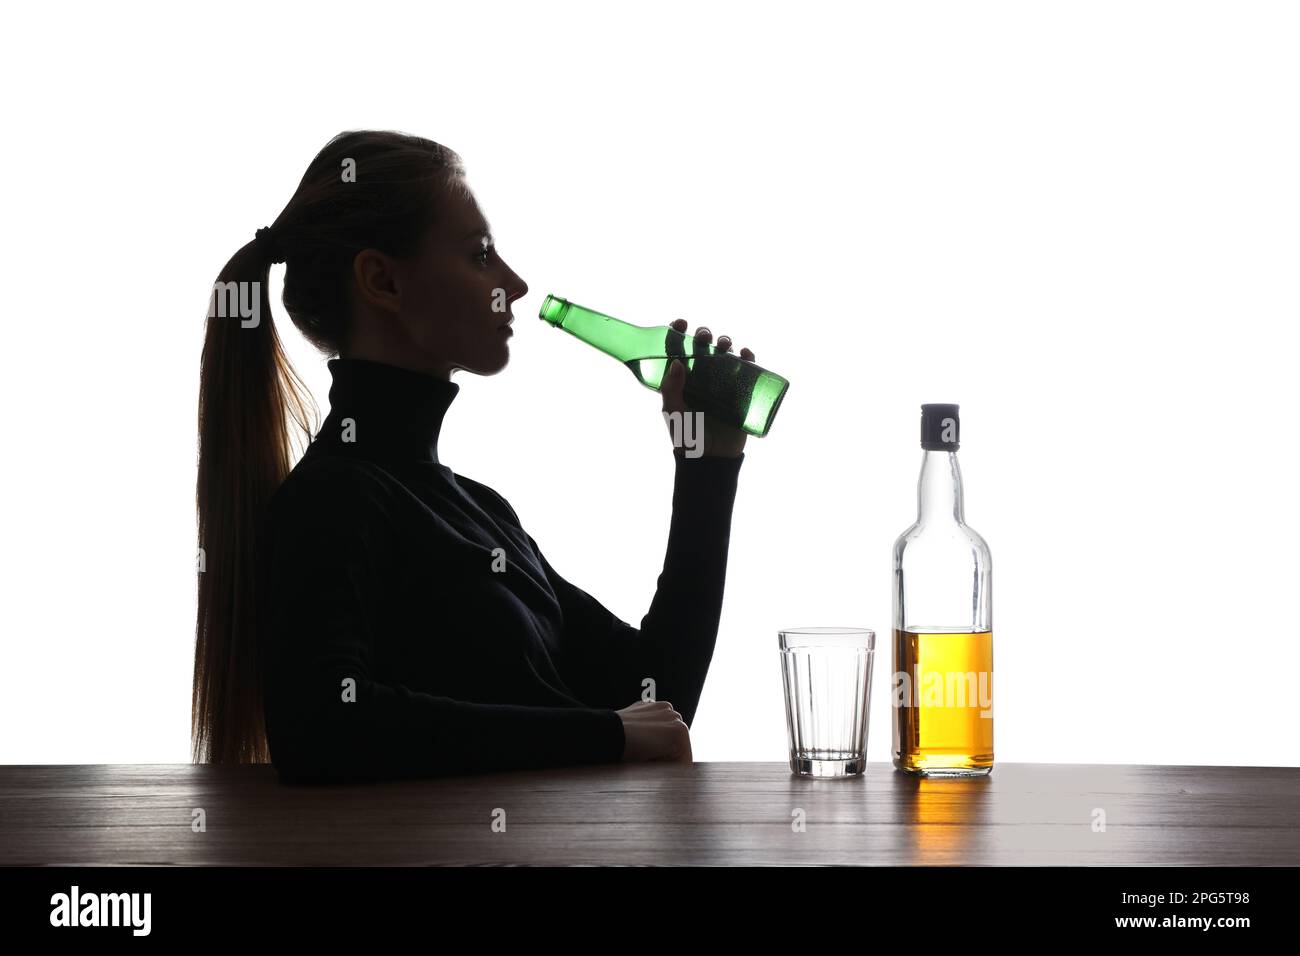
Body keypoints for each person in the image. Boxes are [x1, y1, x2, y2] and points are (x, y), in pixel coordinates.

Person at [193, 130, 753, 783]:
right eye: (480, 254)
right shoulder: (336, 498)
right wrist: (603, 733)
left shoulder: (480, 512)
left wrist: (706, 463)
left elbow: (658, 701)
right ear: (382, 280)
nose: (514, 284)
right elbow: (321, 727)